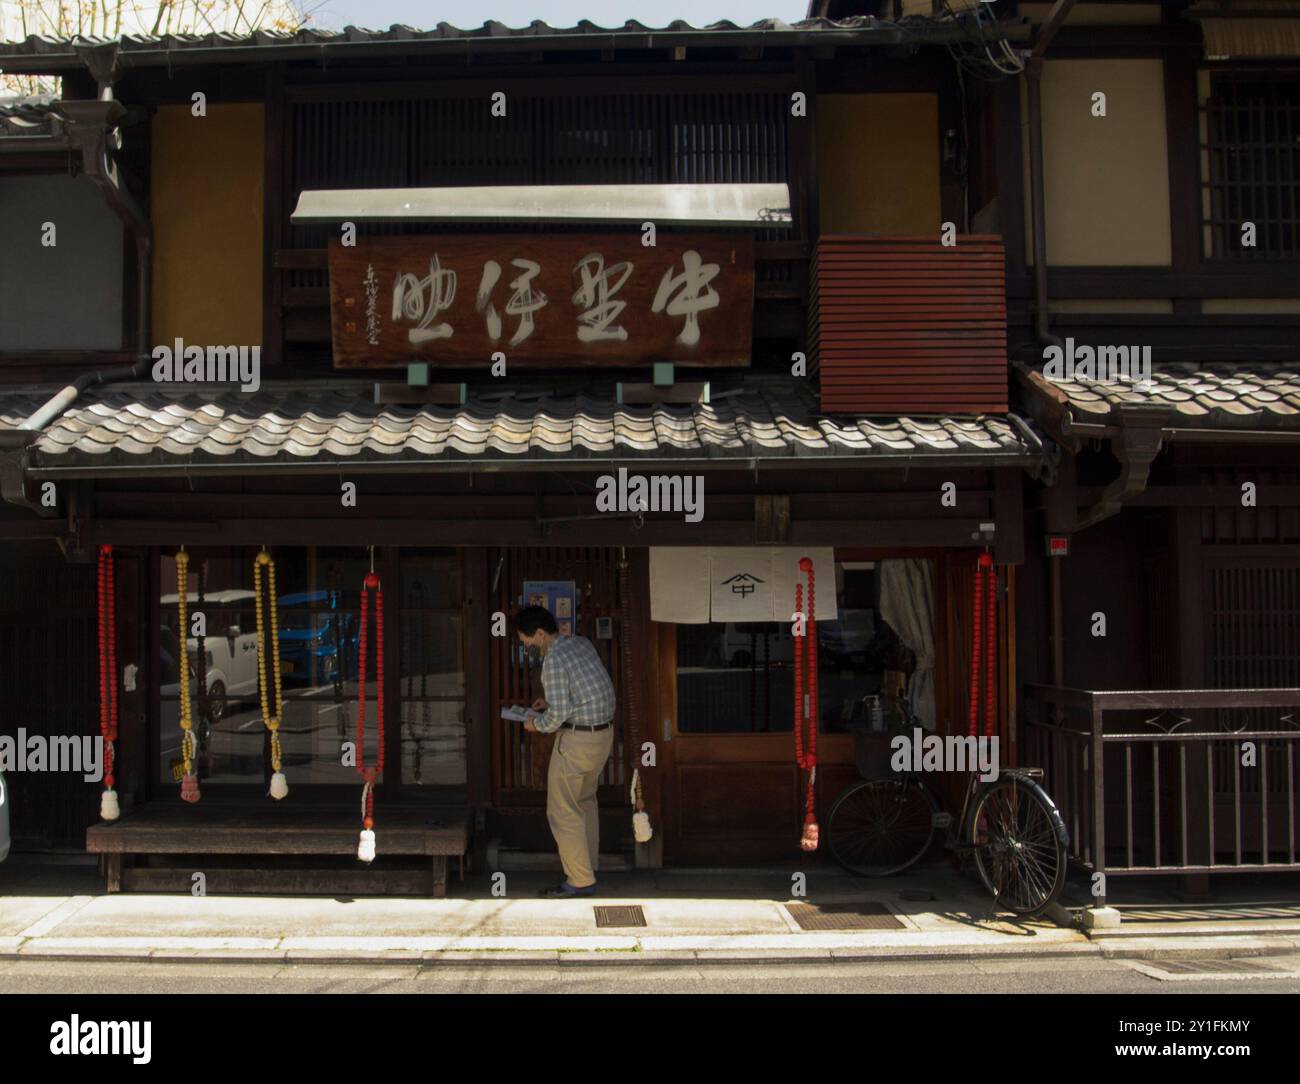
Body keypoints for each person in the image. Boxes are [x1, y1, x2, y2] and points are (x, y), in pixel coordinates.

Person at [514, 605, 616, 898]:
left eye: (527, 641)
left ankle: (580, 880)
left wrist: (536, 724)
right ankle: (587, 867)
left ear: (541, 634)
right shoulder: (580, 643)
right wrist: (549, 706)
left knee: (562, 810)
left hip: (577, 742)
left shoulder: (554, 658)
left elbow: (556, 718)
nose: (527, 647)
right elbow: (586, 692)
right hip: (602, 735)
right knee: (585, 801)